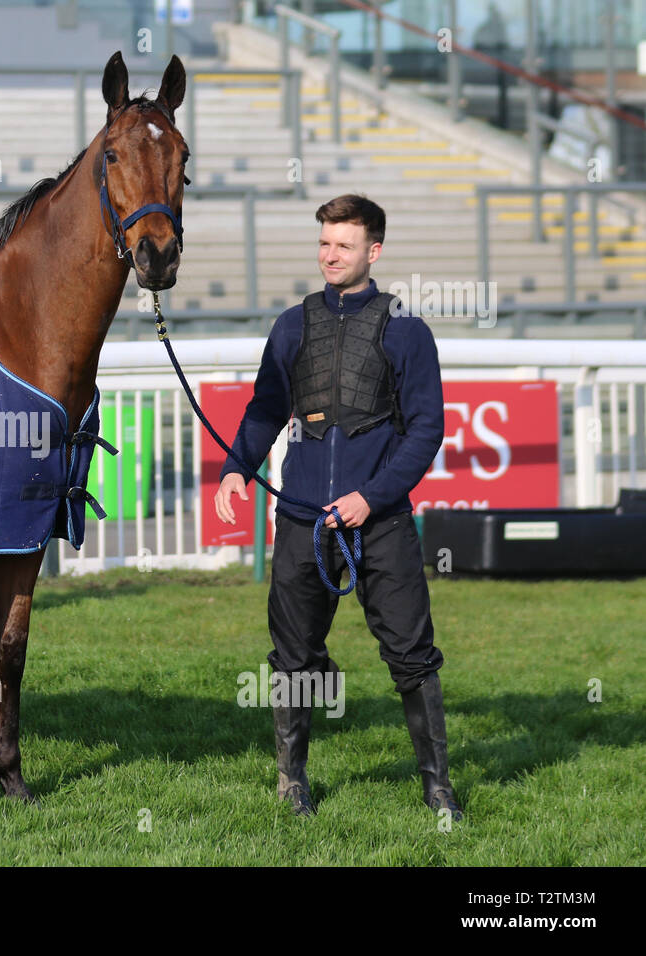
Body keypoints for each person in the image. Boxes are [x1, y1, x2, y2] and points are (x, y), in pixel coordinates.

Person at [214, 194, 461, 821]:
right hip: (302, 520)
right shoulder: (292, 325)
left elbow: (425, 432)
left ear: (373, 251)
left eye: (343, 245)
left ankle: (437, 787)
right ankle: (291, 780)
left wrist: (370, 497)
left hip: (380, 525)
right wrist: (236, 469)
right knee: (293, 655)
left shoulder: (406, 329)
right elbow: (266, 408)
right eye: (324, 243)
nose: (330, 255)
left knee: (411, 656)